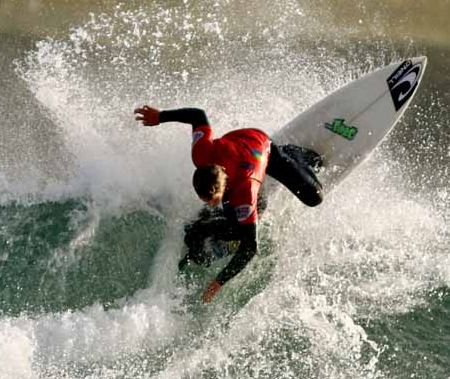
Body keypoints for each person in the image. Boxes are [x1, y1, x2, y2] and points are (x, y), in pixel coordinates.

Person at [134, 106, 323, 302]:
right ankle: (204, 228)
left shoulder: (245, 191)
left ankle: (293, 153)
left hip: (262, 146)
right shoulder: (201, 154)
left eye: (210, 199)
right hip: (237, 143)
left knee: (314, 198)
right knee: (201, 229)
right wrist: (159, 117)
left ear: (222, 189)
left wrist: (219, 282)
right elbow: (197, 115)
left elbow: (250, 247)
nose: (205, 202)